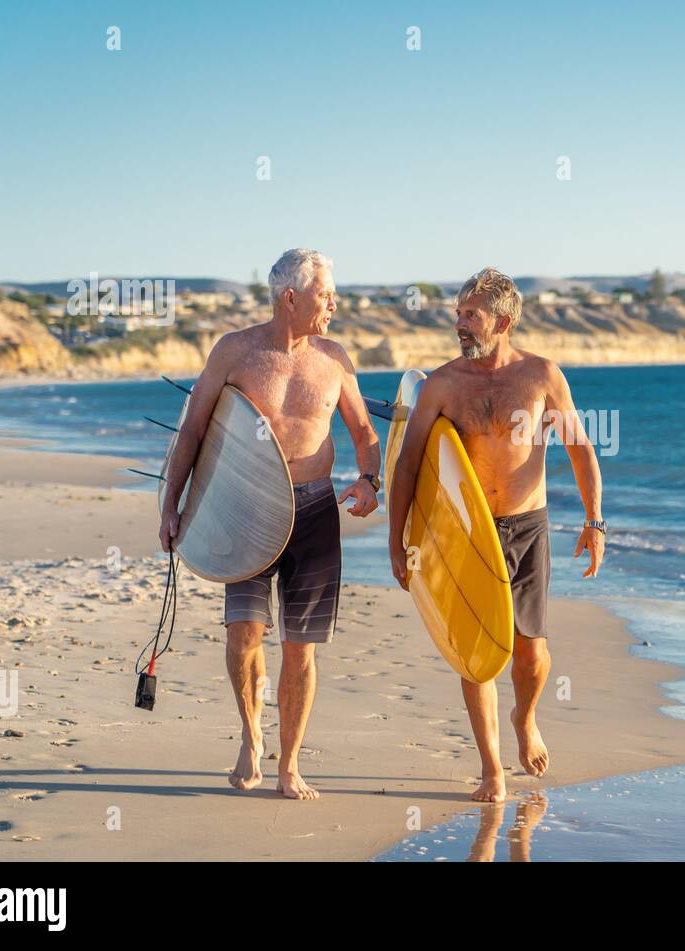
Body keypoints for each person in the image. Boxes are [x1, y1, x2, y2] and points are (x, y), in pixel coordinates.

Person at [157, 248, 381, 800]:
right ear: (291, 298)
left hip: (313, 510)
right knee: (244, 633)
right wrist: (172, 504)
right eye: (326, 294)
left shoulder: (334, 358)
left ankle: (290, 764)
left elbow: (364, 435)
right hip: (244, 505)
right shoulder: (235, 351)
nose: (334, 303)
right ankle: (251, 734)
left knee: (301, 646)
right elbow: (192, 432)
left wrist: (370, 481)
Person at [388, 267, 605, 802]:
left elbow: (580, 448)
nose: (459, 323)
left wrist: (594, 521)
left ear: (503, 321)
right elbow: (410, 464)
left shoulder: (542, 377)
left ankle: (524, 717)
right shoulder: (440, 386)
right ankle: (490, 766)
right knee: (477, 649)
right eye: (458, 313)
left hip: (528, 528)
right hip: (464, 531)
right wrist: (398, 540)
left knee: (532, 656)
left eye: (471, 315)